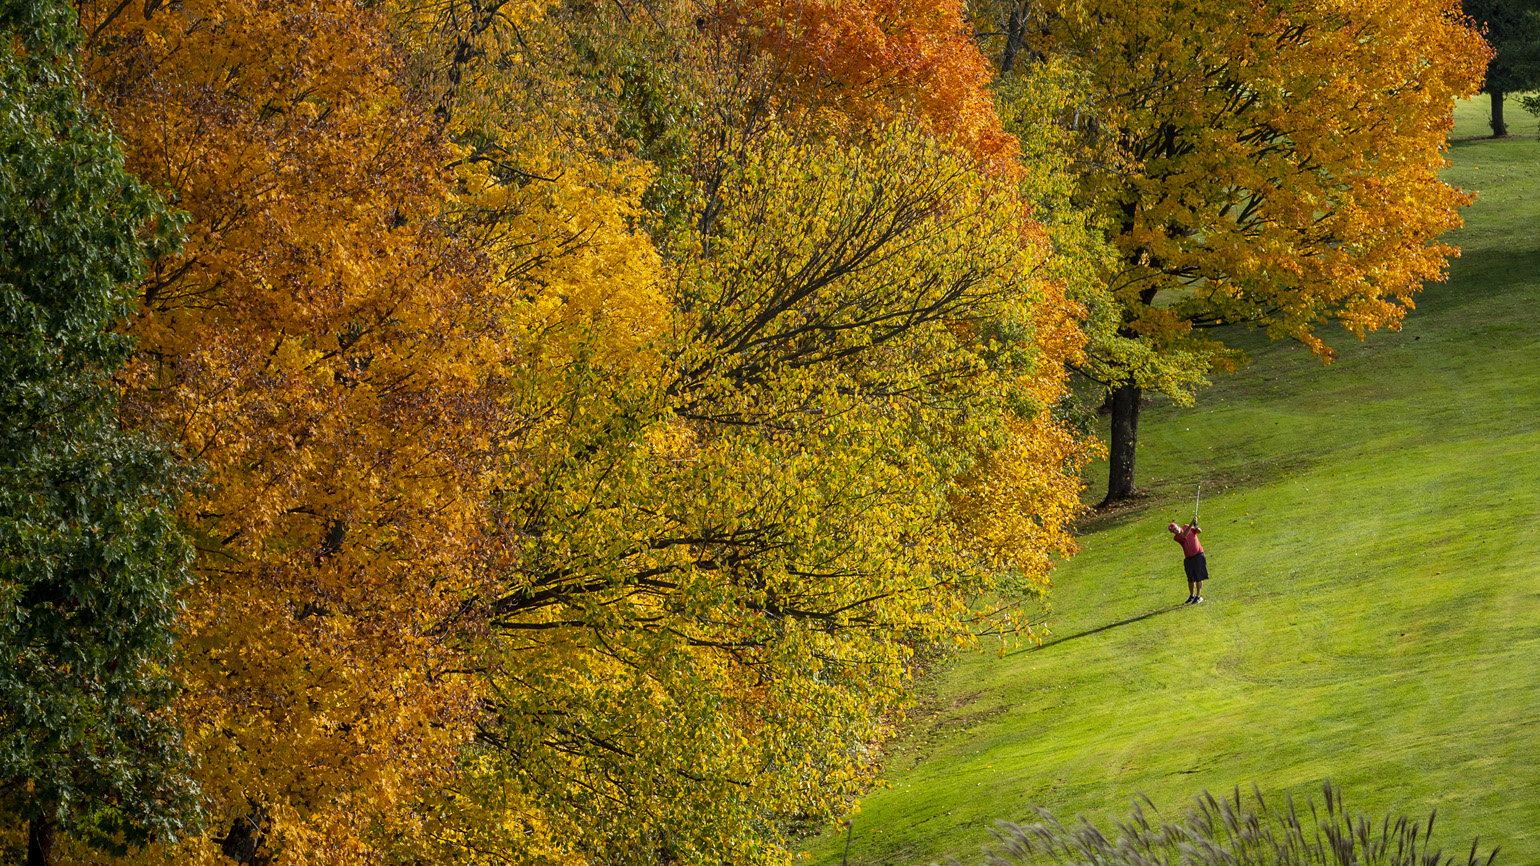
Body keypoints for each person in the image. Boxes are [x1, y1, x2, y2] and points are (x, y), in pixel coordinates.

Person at [1169, 519, 1207, 604]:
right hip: (1189, 558)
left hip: (1198, 555)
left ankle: (1198, 596)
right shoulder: (1176, 537)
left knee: (1198, 577)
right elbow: (1184, 535)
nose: (1175, 531)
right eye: (1173, 531)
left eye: (1175, 528)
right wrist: (1191, 524)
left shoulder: (1186, 526)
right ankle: (1191, 595)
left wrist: (1196, 527)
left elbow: (1198, 532)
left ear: (1178, 526)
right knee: (1190, 579)